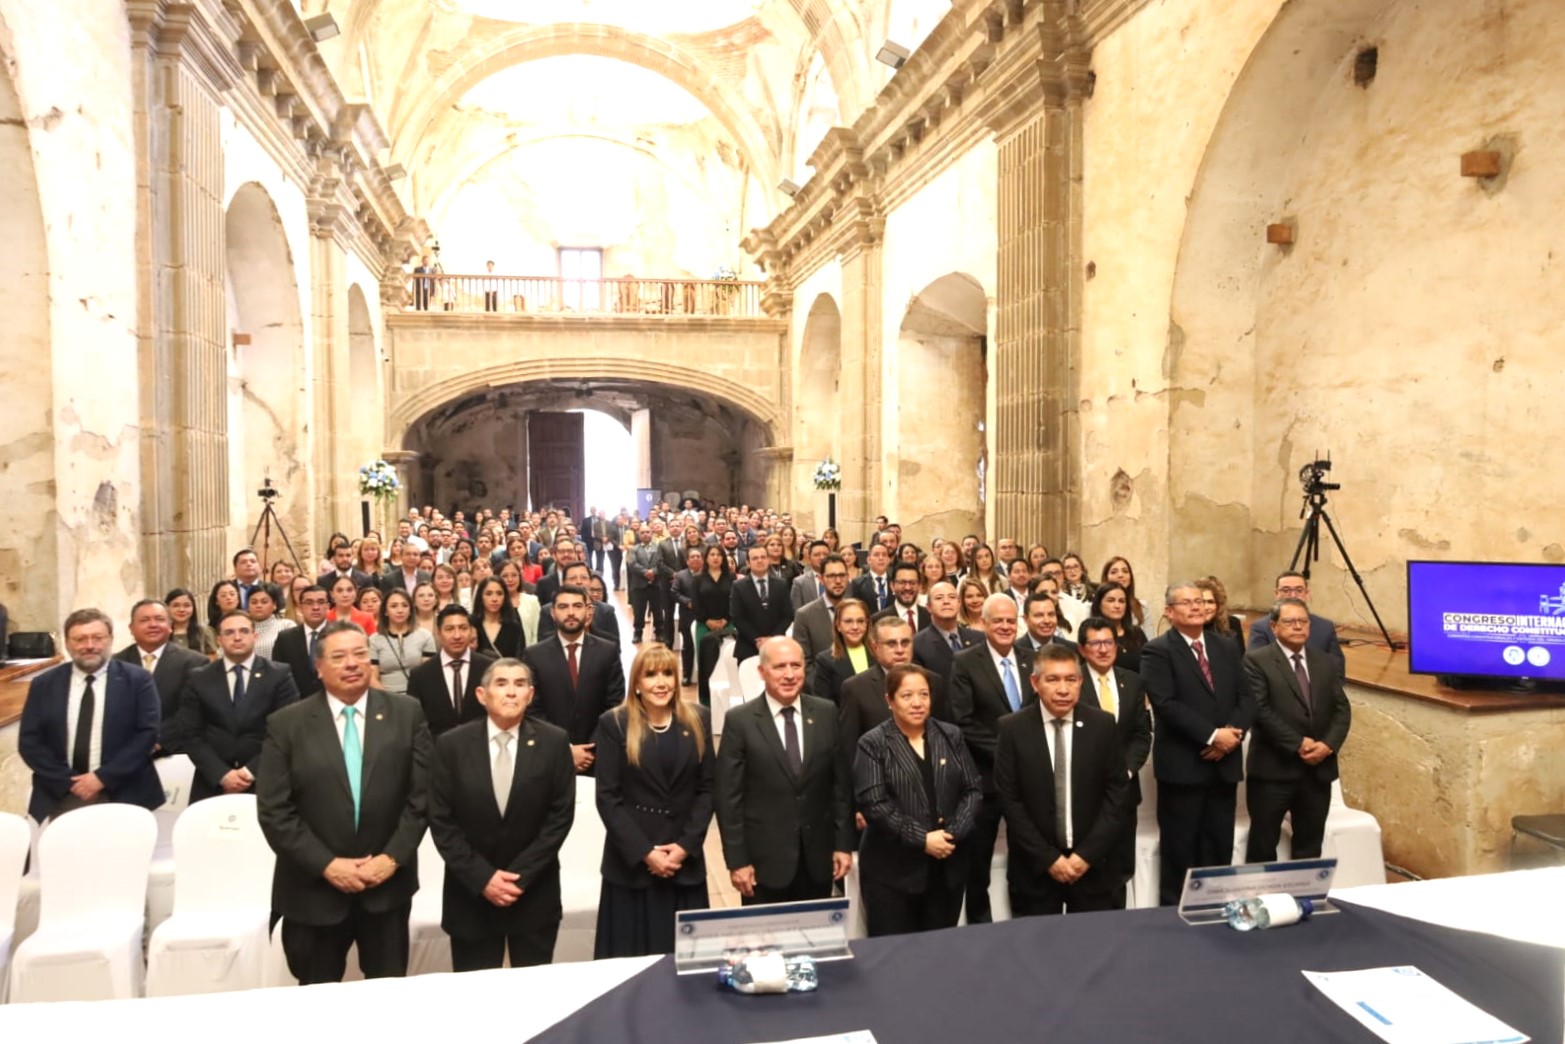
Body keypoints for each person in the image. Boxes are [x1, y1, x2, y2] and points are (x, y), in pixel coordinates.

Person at [257, 621, 433, 984]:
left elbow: (422, 797)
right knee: (318, 999)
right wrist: (327, 865)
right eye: (339, 657)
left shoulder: (406, 712)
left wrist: (391, 858)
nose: (352, 663)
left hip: (386, 886)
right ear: (318, 668)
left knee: (387, 992)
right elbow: (275, 811)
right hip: (313, 890)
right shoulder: (286, 724)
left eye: (359, 654)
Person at [427, 657, 575, 971]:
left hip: (534, 894)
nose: (511, 692)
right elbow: (441, 820)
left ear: (531, 695)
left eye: (520, 684)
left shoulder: (554, 742)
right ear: (482, 695)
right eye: (502, 683)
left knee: (535, 998)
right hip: (471, 897)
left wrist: (519, 878)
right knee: (476, 999)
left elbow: (559, 817)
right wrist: (483, 878)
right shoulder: (451, 746)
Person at [592, 645, 714, 957]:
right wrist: (646, 853)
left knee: (687, 968)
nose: (660, 683)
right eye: (650, 675)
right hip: (632, 867)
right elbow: (608, 797)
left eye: (667, 673)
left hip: (683, 864)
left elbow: (708, 789)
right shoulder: (614, 724)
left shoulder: (698, 719)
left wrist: (685, 846)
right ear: (636, 683)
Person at [994, 643, 1133, 916]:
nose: (1063, 689)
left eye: (1071, 679)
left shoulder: (1102, 725)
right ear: (1035, 682)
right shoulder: (1012, 728)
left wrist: (1086, 856)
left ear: (1080, 682)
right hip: (1035, 870)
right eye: (1052, 679)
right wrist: (1049, 860)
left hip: (1095, 868)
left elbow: (1117, 795)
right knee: (1038, 954)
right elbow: (1010, 801)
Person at [715, 637, 854, 904]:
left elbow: (840, 788)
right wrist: (737, 861)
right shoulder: (740, 721)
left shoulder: (826, 713)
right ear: (761, 672)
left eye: (796, 665)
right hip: (763, 866)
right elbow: (728, 799)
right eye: (780, 667)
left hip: (818, 861)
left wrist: (842, 844)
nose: (789, 675)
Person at [1140, 582, 1253, 906]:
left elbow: (1247, 697)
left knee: (1219, 846)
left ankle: (1219, 911)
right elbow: (1165, 703)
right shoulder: (1158, 650)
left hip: (1224, 765)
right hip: (1183, 767)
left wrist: (1231, 734)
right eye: (1186, 603)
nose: (1196, 607)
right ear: (1169, 612)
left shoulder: (1227, 646)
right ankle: (1173, 921)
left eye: (1200, 602)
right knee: (1180, 850)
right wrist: (1213, 736)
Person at [854, 663, 982, 936]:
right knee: (895, 958)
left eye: (923, 695)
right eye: (907, 695)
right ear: (890, 700)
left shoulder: (950, 735)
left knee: (939, 954)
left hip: (946, 867)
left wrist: (951, 835)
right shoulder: (873, 743)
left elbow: (972, 789)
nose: (917, 703)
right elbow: (875, 804)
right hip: (892, 873)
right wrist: (923, 839)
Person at [19, 608, 164, 821]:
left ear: (111, 639)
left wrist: (101, 778)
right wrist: (70, 782)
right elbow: (30, 741)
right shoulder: (44, 684)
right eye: (80, 639)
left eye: (97, 638)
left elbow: (147, 734)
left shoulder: (138, 680)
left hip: (125, 791)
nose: (89, 646)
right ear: (67, 643)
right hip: (64, 793)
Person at [1243, 598, 1352, 863]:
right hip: (1273, 771)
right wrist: (1299, 744)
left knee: (1309, 847)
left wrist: (1327, 745)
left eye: (1303, 621)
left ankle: (1306, 902)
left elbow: (1342, 710)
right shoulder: (1256, 661)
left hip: (1317, 772)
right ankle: (1263, 904)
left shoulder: (1325, 662)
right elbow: (1260, 711)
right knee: (1263, 846)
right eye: (1290, 621)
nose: (1298, 627)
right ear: (1274, 626)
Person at [948, 594, 1034, 924]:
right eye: (997, 620)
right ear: (983, 623)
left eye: (1011, 620)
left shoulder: (1030, 660)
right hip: (983, 780)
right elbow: (963, 720)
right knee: (978, 861)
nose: (1005, 626)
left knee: (1026, 854)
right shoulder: (965, 662)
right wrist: (1009, 753)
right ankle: (981, 923)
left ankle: (1024, 917)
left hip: (1026, 781)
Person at [174, 610, 301, 803]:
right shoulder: (199, 678)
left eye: (243, 631)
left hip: (266, 782)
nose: (237, 637)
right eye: (229, 633)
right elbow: (191, 734)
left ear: (255, 636)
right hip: (212, 783)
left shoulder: (279, 675)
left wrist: (249, 772)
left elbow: (286, 732)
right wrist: (222, 775)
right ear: (219, 640)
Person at [1076, 616, 1154, 899]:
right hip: (1084, 794)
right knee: (1089, 872)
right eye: (1095, 643)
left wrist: (1127, 771)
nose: (1103, 649)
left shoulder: (1132, 681)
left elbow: (1141, 735)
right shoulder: (1071, 682)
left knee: (1121, 870)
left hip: (1124, 792)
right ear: (1082, 649)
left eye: (1108, 642)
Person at [524, 584, 627, 774]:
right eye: (563, 607)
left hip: (599, 755)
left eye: (577, 606)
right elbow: (533, 709)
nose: (571, 612)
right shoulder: (534, 655)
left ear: (588, 611)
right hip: (551, 756)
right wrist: (567, 749)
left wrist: (589, 748)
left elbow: (615, 704)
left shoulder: (607, 651)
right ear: (553, 613)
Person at [841, 616, 951, 761]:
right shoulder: (855, 688)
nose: (900, 650)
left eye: (905, 643)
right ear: (875, 647)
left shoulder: (933, 681)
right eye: (891, 644)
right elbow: (848, 750)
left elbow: (944, 735)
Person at [112, 598, 208, 750]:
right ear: (131, 628)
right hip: (122, 751)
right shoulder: (114, 664)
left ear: (170, 626)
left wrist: (153, 741)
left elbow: (191, 713)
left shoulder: (195, 663)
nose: (153, 625)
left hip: (175, 753)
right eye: (144, 620)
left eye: (160, 619)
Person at [406, 604, 492, 737]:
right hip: (437, 752)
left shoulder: (490, 669)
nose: (457, 635)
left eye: (463, 628)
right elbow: (415, 724)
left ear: (471, 632)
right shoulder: (420, 675)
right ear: (439, 633)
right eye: (449, 629)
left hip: (481, 749)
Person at [1247, 570, 1346, 676]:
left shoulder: (1325, 627)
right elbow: (1255, 668)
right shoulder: (1262, 627)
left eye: (1299, 590)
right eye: (1286, 590)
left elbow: (1337, 669)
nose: (1293, 595)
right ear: (1276, 594)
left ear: (1307, 594)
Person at [731, 544, 795, 663]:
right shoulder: (738, 586)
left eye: (763, 557)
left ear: (768, 560)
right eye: (755, 558)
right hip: (748, 647)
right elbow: (737, 618)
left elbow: (788, 615)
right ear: (748, 563)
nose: (759, 560)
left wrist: (771, 639)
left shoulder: (781, 584)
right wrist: (758, 640)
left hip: (777, 646)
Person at [368, 589, 436, 696]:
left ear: (410, 610)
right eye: (394, 606)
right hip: (386, 698)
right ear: (385, 611)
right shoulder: (374, 640)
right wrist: (391, 699)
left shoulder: (425, 636)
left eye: (405, 605)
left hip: (417, 697)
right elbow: (372, 678)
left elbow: (429, 675)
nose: (400, 610)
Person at [913, 580, 983, 683]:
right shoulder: (917, 644)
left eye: (952, 597)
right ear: (929, 607)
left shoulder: (980, 639)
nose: (946, 601)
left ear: (959, 603)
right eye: (939, 598)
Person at [692, 543, 736, 706]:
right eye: (712, 554)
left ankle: (733, 693)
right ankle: (706, 700)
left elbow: (734, 600)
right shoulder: (697, 579)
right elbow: (695, 603)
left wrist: (726, 619)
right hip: (705, 624)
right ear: (706, 558)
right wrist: (707, 620)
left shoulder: (730, 577)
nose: (715, 558)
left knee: (729, 660)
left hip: (728, 623)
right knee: (706, 662)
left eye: (719, 554)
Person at [271, 585, 332, 698]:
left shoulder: (340, 634)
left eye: (321, 602)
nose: (315, 607)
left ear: (328, 606)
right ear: (300, 607)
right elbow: (278, 675)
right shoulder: (285, 638)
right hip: (296, 703)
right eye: (309, 603)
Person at [810, 597, 870, 706]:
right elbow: (823, 704)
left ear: (867, 624)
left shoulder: (879, 654)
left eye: (860, 621)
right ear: (838, 625)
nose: (855, 627)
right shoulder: (825, 660)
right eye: (848, 621)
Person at [793, 552, 848, 668]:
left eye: (842, 575)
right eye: (832, 576)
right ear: (821, 579)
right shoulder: (805, 615)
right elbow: (803, 663)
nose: (838, 581)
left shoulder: (859, 611)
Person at [1091, 581, 1147, 673]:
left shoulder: (1137, 633)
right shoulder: (1091, 635)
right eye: (1111, 600)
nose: (1117, 606)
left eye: (1122, 601)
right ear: (1099, 604)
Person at [472, 576, 525, 660]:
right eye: (488, 594)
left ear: (505, 597)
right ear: (480, 597)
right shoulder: (471, 624)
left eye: (499, 593)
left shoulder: (513, 626)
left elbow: (520, 657)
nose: (494, 599)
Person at [871, 560, 931, 633]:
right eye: (902, 582)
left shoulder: (931, 616)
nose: (907, 588)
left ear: (919, 586)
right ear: (892, 586)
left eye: (912, 583)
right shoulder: (878, 620)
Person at [672, 547, 704, 682]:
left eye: (698, 556)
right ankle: (686, 675)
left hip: (704, 615)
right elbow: (674, 593)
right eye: (693, 557)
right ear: (687, 561)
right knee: (688, 646)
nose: (696, 559)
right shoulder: (680, 575)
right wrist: (687, 602)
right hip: (687, 614)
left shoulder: (707, 575)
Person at [1194, 576, 1245, 656]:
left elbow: (1240, 658)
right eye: (1201, 602)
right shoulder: (1187, 628)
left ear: (1218, 605)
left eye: (1210, 602)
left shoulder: (1232, 624)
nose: (1206, 607)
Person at [247, 582, 298, 660]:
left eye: (264, 602)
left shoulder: (286, 626)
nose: (258, 606)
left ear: (274, 605)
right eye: (254, 602)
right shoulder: (242, 628)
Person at [626, 529, 659, 643]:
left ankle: (659, 632)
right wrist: (645, 572)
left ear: (652, 534)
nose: (645, 534)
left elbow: (662, 563)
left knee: (658, 611)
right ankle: (638, 633)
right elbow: (632, 564)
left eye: (648, 532)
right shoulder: (633, 549)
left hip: (656, 585)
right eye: (643, 533)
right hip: (639, 586)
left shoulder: (658, 548)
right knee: (639, 612)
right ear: (639, 535)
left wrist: (653, 571)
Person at [166, 587, 217, 655]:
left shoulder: (204, 632)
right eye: (176, 605)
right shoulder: (161, 632)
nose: (181, 610)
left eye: (186, 605)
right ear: (167, 607)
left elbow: (213, 661)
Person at [850, 542, 895, 612]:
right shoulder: (857, 583)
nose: (881, 558)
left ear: (889, 560)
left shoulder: (895, 582)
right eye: (876, 555)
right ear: (869, 560)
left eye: (884, 555)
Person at [790, 539, 830, 609]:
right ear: (809, 557)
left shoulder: (840, 579)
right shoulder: (799, 582)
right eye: (817, 555)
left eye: (825, 554)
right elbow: (796, 611)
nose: (822, 557)